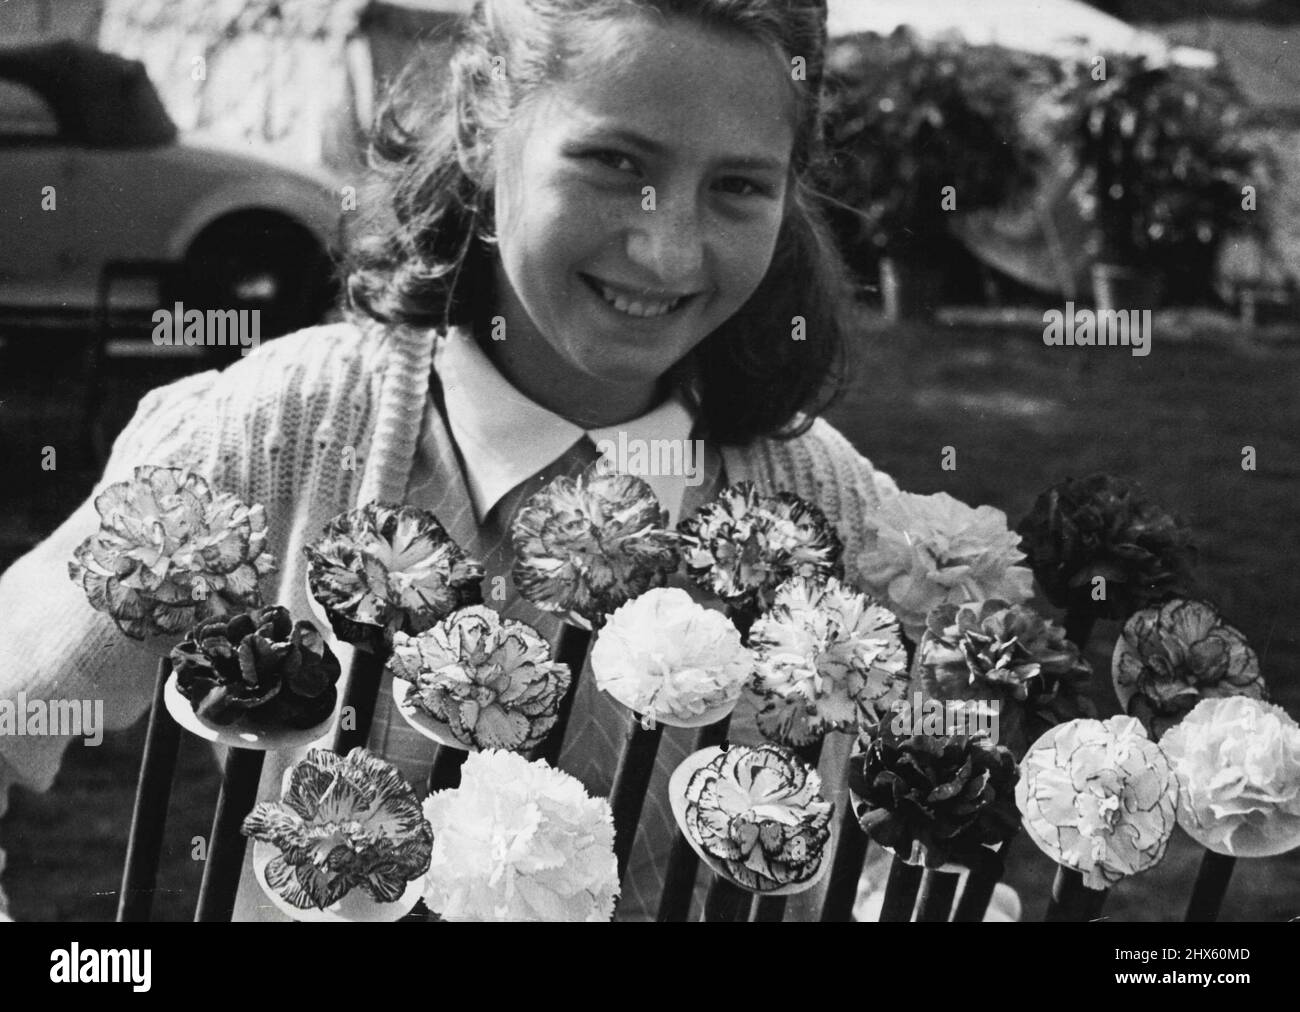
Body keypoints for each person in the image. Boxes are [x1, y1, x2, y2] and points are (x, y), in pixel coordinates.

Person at [0, 0, 899, 921]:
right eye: (614, 163)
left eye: (739, 187)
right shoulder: (280, 433)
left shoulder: (826, 503)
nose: (666, 248)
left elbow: (920, 805)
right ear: (479, 125)